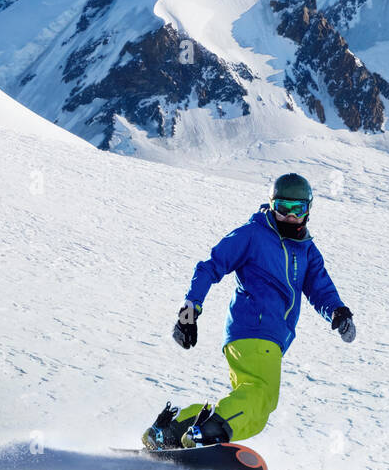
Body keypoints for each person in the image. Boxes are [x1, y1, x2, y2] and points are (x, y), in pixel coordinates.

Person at [144, 173, 356, 450]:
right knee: (260, 396)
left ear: (308, 210)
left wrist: (338, 312)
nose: (290, 217)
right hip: (255, 330)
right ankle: (205, 433)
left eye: (298, 210)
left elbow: (320, 288)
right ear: (272, 205)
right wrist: (189, 311)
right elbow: (210, 266)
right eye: (283, 208)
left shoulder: (307, 250)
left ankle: (171, 430)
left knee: (251, 405)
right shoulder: (253, 234)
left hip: (267, 339)